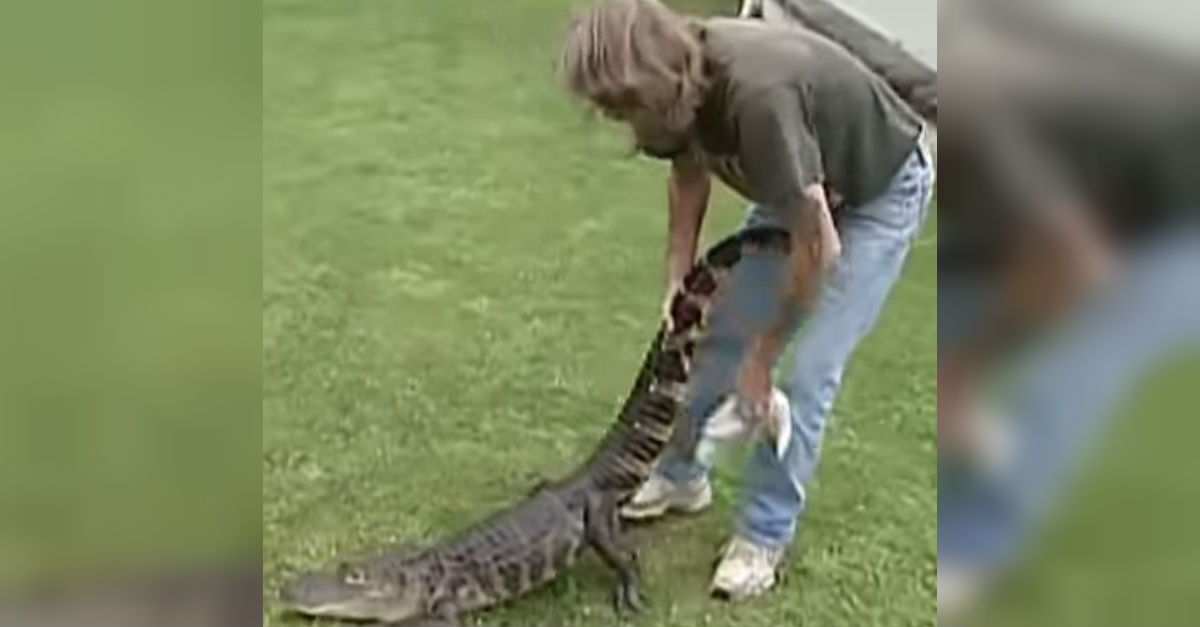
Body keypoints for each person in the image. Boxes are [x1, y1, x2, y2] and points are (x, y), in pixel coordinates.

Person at [558, 0, 934, 599]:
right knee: (713, 334)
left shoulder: (760, 100)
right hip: (801, 184)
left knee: (807, 374)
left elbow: (819, 247)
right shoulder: (670, 94)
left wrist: (762, 362)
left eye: (619, 105)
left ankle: (763, 534)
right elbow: (687, 170)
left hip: (877, 193)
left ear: (656, 81)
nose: (613, 117)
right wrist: (678, 271)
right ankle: (681, 477)